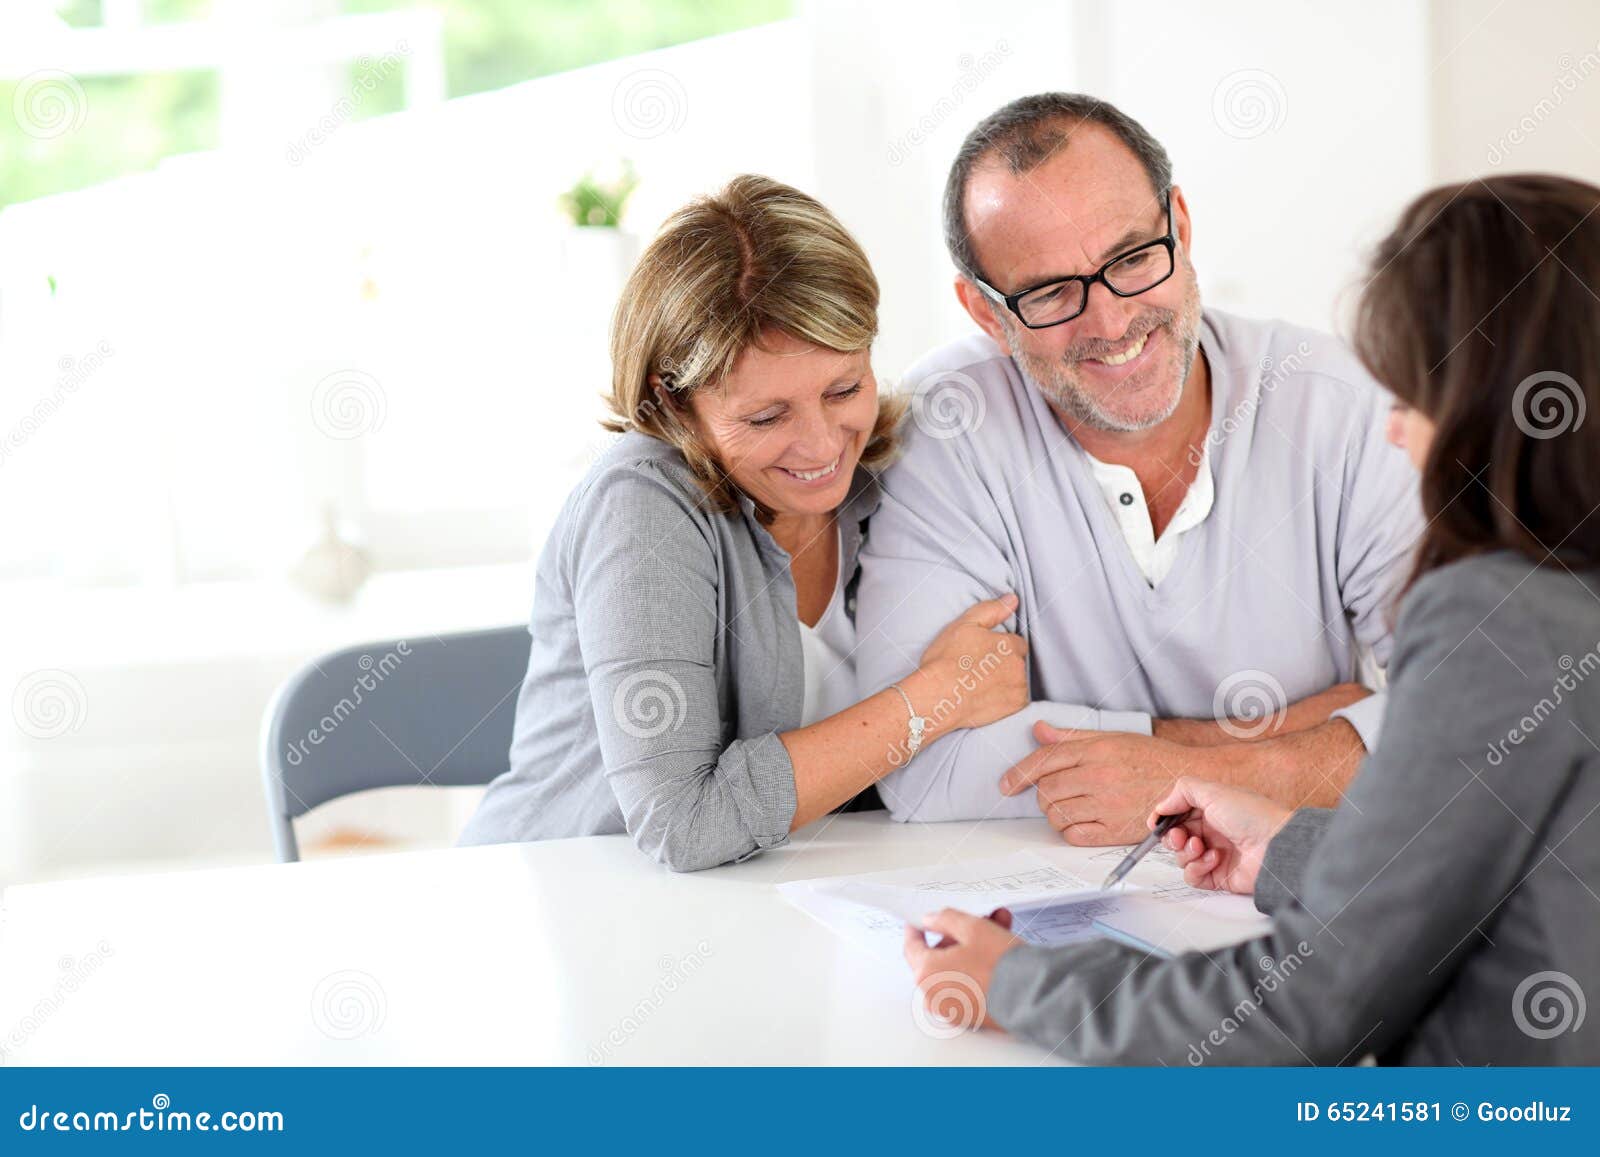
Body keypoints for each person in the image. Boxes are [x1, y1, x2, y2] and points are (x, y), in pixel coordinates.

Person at [902, 173, 1600, 1065]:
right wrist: (1292, 847)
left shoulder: (1500, 618)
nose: (1395, 434)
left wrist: (1015, 980)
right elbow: (1493, 874)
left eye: (1412, 397)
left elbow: (1299, 1013)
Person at [855, 93, 1420, 842]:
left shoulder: (1337, 403)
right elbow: (920, 766)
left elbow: (1470, 705)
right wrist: (1297, 736)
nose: (1112, 322)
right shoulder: (947, 423)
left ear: (1179, 227)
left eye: (1130, 259)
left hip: (1291, 901)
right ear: (988, 314)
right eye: (1051, 292)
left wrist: (1176, 774)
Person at [459, 175, 1029, 870]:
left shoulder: (888, 477)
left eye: (843, 388)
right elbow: (683, 822)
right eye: (766, 417)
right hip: (568, 898)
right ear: (673, 405)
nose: (822, 446)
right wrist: (934, 698)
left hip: (776, 904)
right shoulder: (641, 508)